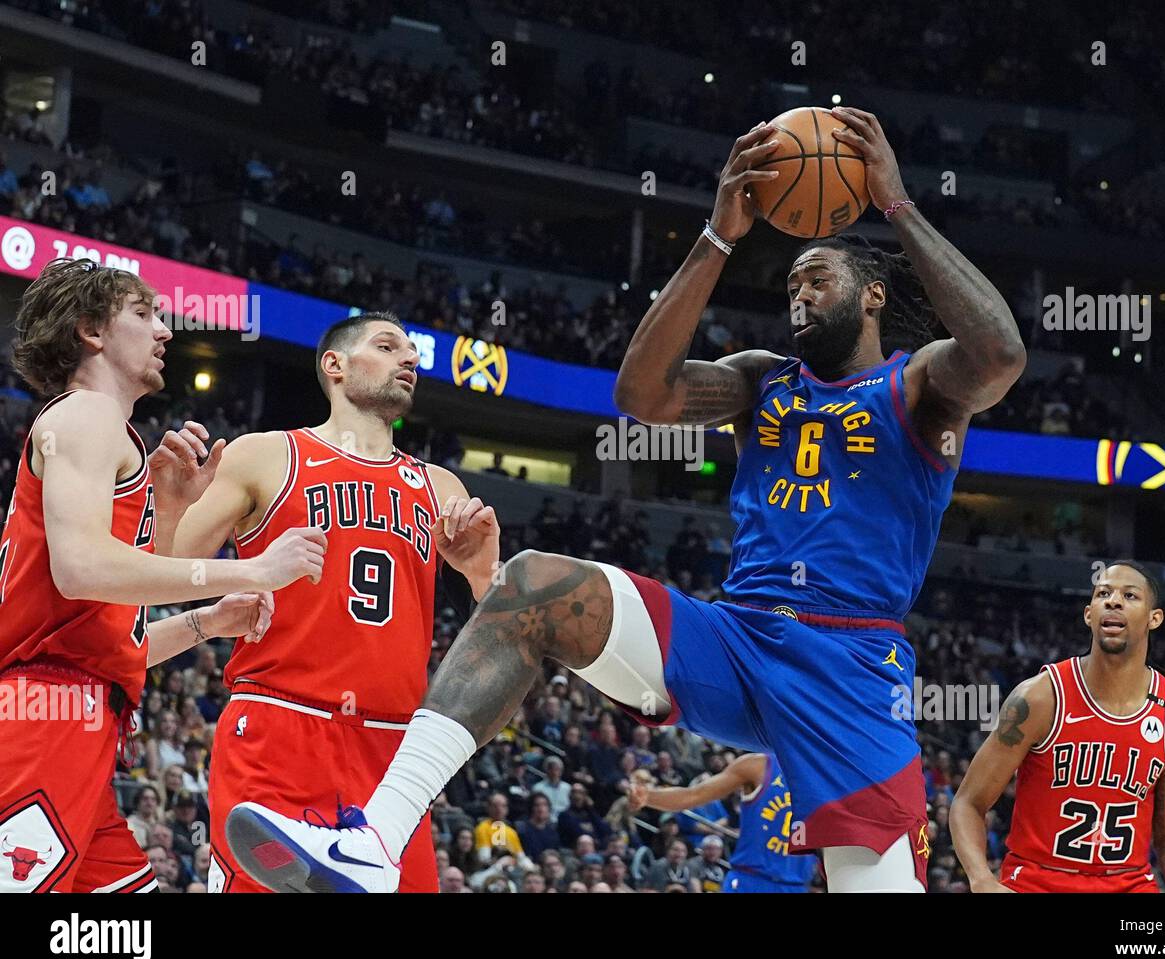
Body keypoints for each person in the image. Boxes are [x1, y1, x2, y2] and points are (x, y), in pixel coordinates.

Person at [226, 108, 1025, 893]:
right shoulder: (760, 378)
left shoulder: (917, 384)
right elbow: (642, 393)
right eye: (789, 284)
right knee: (533, 586)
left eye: (817, 279)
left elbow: (1000, 353)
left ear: (873, 294)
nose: (799, 297)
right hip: (739, 640)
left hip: (850, 666)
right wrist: (717, 238)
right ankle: (374, 840)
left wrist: (896, 202)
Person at [0, 258, 319, 894]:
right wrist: (251, 566)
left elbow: (104, 632)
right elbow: (81, 571)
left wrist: (182, 558)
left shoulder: (103, 436)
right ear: (91, 330)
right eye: (144, 314)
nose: (165, 330)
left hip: (75, 716)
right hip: (46, 719)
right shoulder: (85, 415)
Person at [162, 312, 501, 893]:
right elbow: (156, 570)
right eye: (388, 346)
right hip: (281, 723)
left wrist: (479, 575)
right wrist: (170, 506)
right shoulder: (266, 455)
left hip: (395, 753)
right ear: (335, 365)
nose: (409, 360)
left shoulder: (442, 487)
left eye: (412, 354)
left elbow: (500, 643)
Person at [949, 562, 1165, 893]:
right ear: (1089, 614)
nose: (1113, 601)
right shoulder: (1040, 697)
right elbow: (968, 803)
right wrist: (982, 879)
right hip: (1036, 880)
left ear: (1154, 619)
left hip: (1129, 884)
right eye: (1104, 594)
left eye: (1130, 595)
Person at [630, 752, 816, 893]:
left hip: (798, 885)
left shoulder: (828, 777)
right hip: (750, 880)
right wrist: (648, 796)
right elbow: (694, 795)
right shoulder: (759, 766)